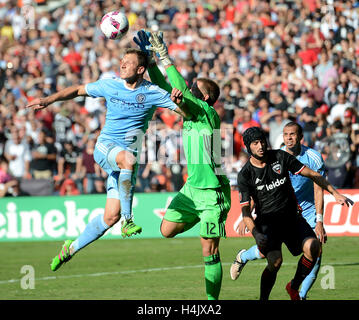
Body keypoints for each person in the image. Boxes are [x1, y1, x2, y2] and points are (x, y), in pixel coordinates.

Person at [26, 48, 186, 271]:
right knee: (128, 161)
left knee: (110, 217)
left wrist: (182, 101)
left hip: (124, 162)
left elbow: (185, 113)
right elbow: (78, 90)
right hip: (106, 148)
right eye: (122, 60)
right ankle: (128, 221)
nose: (122, 64)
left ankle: (70, 249)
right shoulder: (109, 84)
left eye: (128, 62)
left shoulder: (153, 92)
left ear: (140, 69)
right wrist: (48, 100)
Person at [133, 30, 231, 300]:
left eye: (193, 87)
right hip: (192, 190)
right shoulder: (189, 115)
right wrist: (152, 63)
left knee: (208, 249)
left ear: (205, 97)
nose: (188, 87)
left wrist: (164, 56)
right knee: (166, 230)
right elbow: (166, 89)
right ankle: (204, 224)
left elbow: (179, 90)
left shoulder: (208, 114)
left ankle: (212, 303)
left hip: (213, 192)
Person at [232, 126, 353, 300]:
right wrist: (256, 233)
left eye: (262, 141)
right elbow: (245, 210)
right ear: (248, 147)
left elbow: (312, 175)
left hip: (292, 218)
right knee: (275, 262)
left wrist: (335, 193)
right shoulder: (245, 174)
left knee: (314, 247)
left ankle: (294, 287)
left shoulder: (280, 157)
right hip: (268, 222)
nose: (260, 146)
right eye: (255, 143)